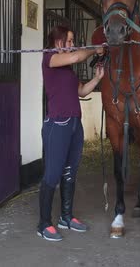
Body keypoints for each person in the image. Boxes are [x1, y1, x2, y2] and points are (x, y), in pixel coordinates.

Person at [37, 25, 105, 241]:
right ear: (57, 41)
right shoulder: (50, 58)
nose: (72, 44)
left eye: (73, 40)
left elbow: (82, 91)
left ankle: (66, 217)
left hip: (75, 124)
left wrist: (97, 79)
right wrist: (95, 49)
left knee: (70, 172)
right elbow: (76, 57)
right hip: (57, 124)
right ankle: (44, 223)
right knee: (52, 174)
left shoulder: (67, 70)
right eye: (69, 40)